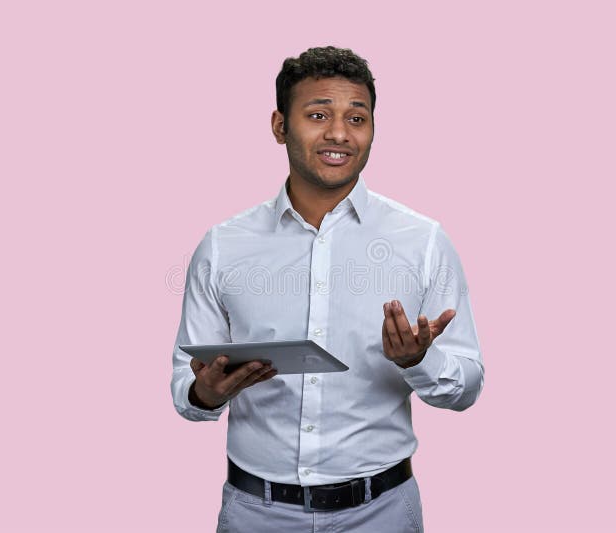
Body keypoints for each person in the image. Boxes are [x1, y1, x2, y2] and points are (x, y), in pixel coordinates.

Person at [171, 46, 484, 532]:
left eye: (357, 118)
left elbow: (466, 387)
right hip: (257, 514)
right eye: (318, 115)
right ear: (279, 126)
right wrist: (206, 392)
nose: (339, 133)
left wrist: (418, 362)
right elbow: (183, 388)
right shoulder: (223, 246)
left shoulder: (422, 241)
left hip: (382, 513)